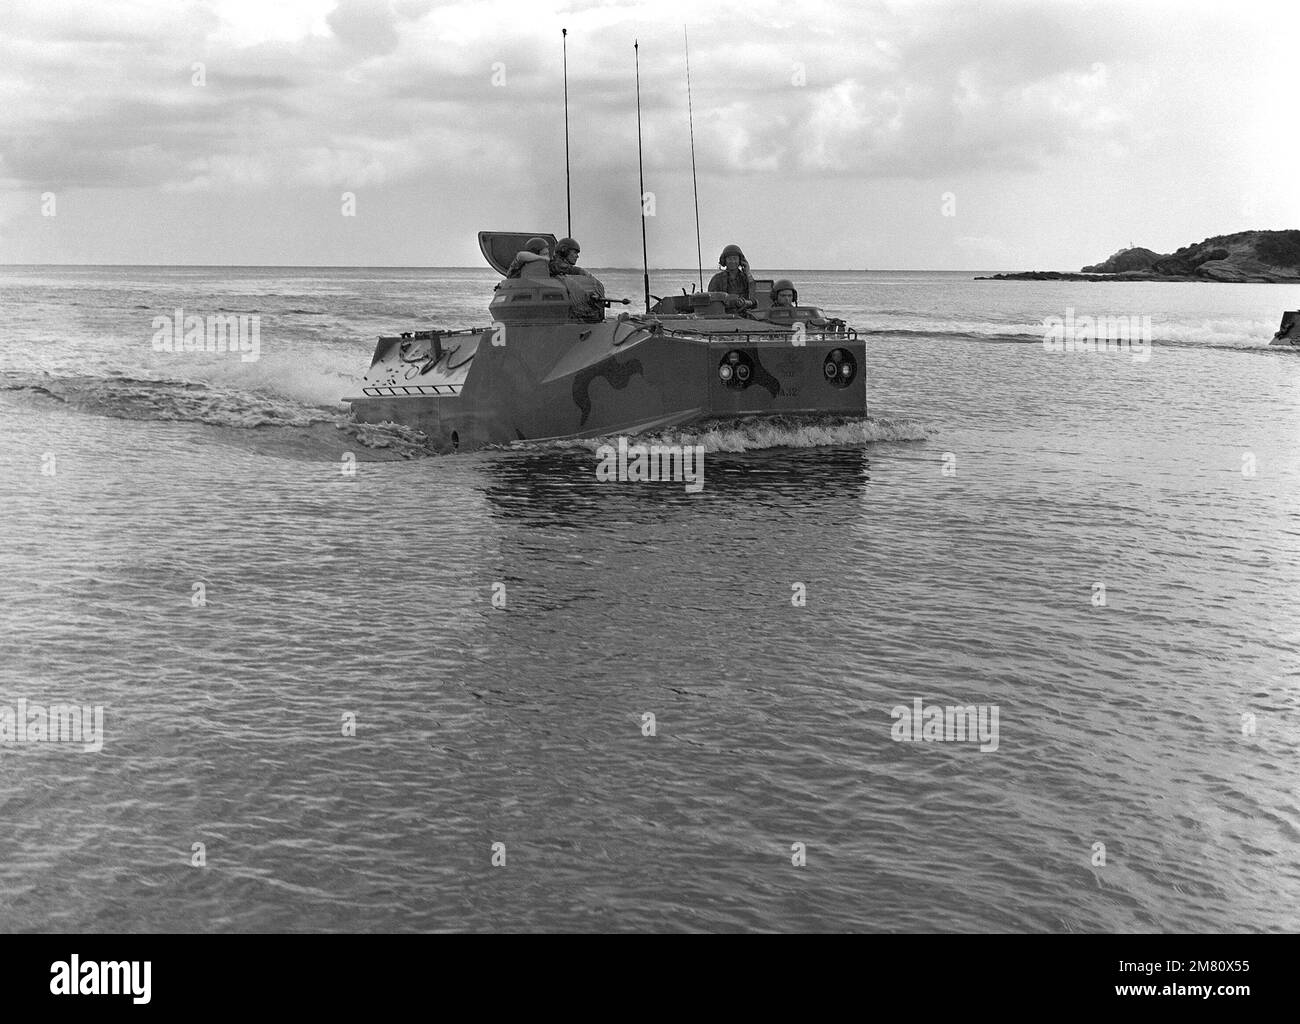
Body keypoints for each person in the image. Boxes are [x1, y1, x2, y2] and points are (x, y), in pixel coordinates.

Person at [707, 244, 757, 310]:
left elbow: (754, 297)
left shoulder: (746, 278)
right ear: (724, 261)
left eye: (735, 258)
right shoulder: (717, 279)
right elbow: (711, 300)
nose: (732, 261)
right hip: (723, 314)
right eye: (729, 259)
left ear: (740, 261)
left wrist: (748, 272)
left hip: (743, 314)